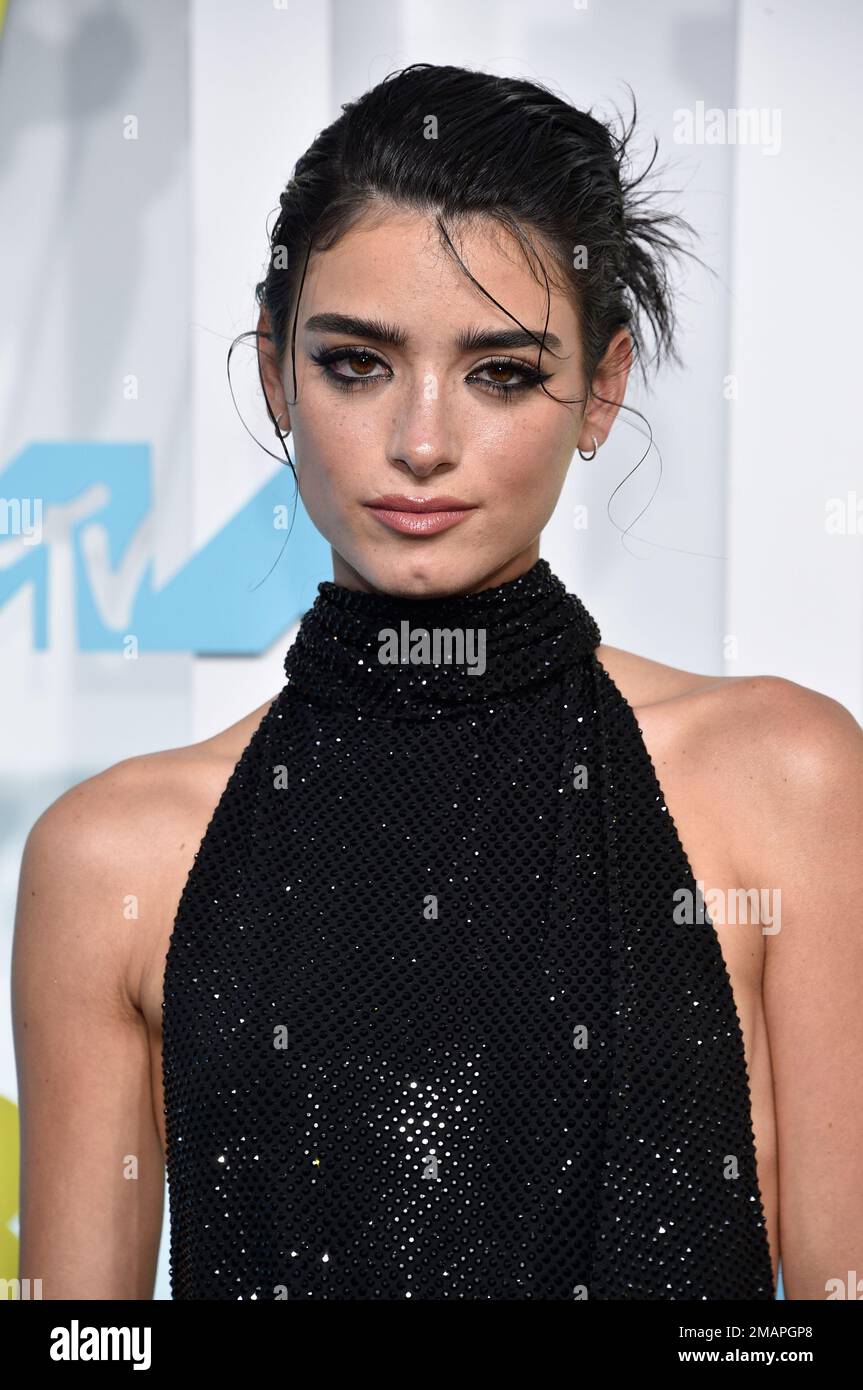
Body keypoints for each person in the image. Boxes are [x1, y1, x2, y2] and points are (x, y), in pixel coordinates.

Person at [13, 63, 863, 1301]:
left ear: (601, 389)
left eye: (500, 372)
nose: (421, 441)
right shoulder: (110, 859)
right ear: (273, 377)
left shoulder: (782, 780)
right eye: (357, 363)